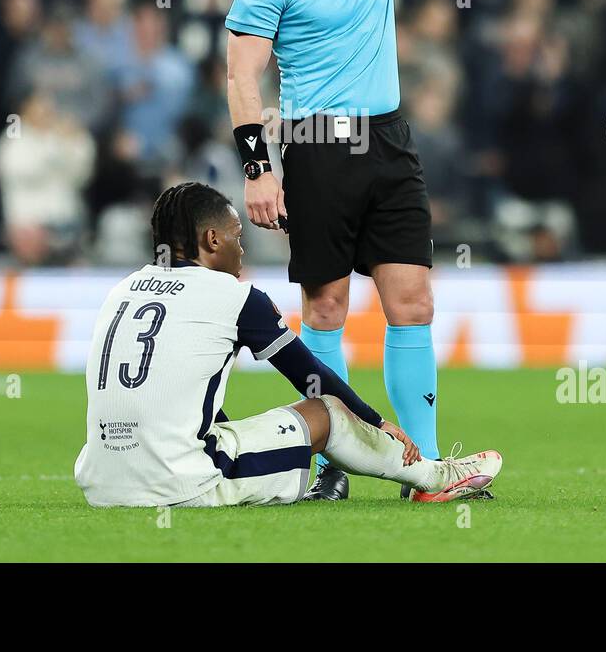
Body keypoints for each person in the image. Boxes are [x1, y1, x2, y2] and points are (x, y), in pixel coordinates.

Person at [224, 0, 533, 501]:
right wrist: (259, 172)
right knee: (325, 307)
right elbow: (240, 76)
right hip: (317, 148)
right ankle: (334, 464)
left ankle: (422, 470)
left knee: (413, 300)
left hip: (390, 142)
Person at [73, 182, 502, 508]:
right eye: (236, 235)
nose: (242, 249)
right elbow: (310, 377)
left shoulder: (122, 290)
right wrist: (376, 421)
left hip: (100, 482)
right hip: (178, 483)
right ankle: (435, 476)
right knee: (327, 412)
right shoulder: (235, 297)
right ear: (212, 241)